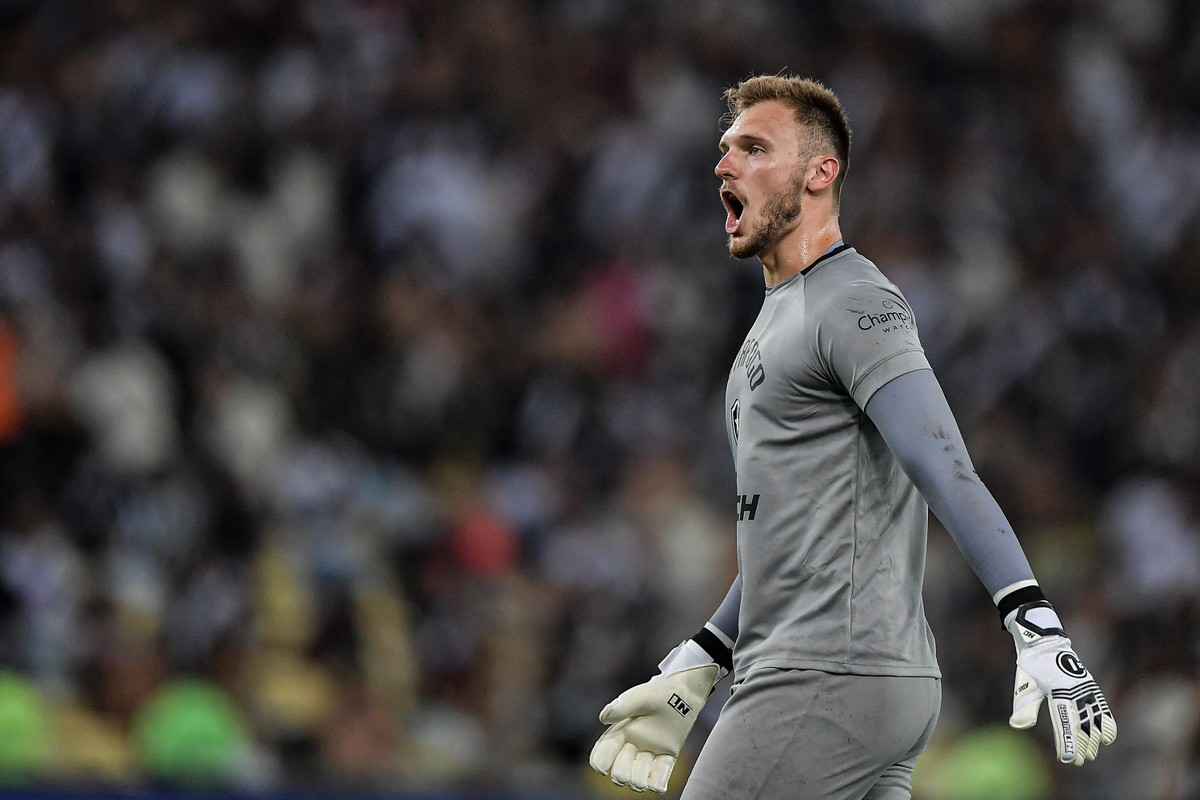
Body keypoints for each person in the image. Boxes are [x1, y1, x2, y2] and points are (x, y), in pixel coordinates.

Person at [588, 75, 1116, 800]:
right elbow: (793, 527)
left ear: (819, 172)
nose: (724, 164)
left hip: (820, 673)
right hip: (856, 679)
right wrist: (704, 654)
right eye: (724, 149)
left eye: (753, 147)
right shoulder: (778, 319)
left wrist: (1033, 620)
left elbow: (942, 464)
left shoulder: (854, 301)